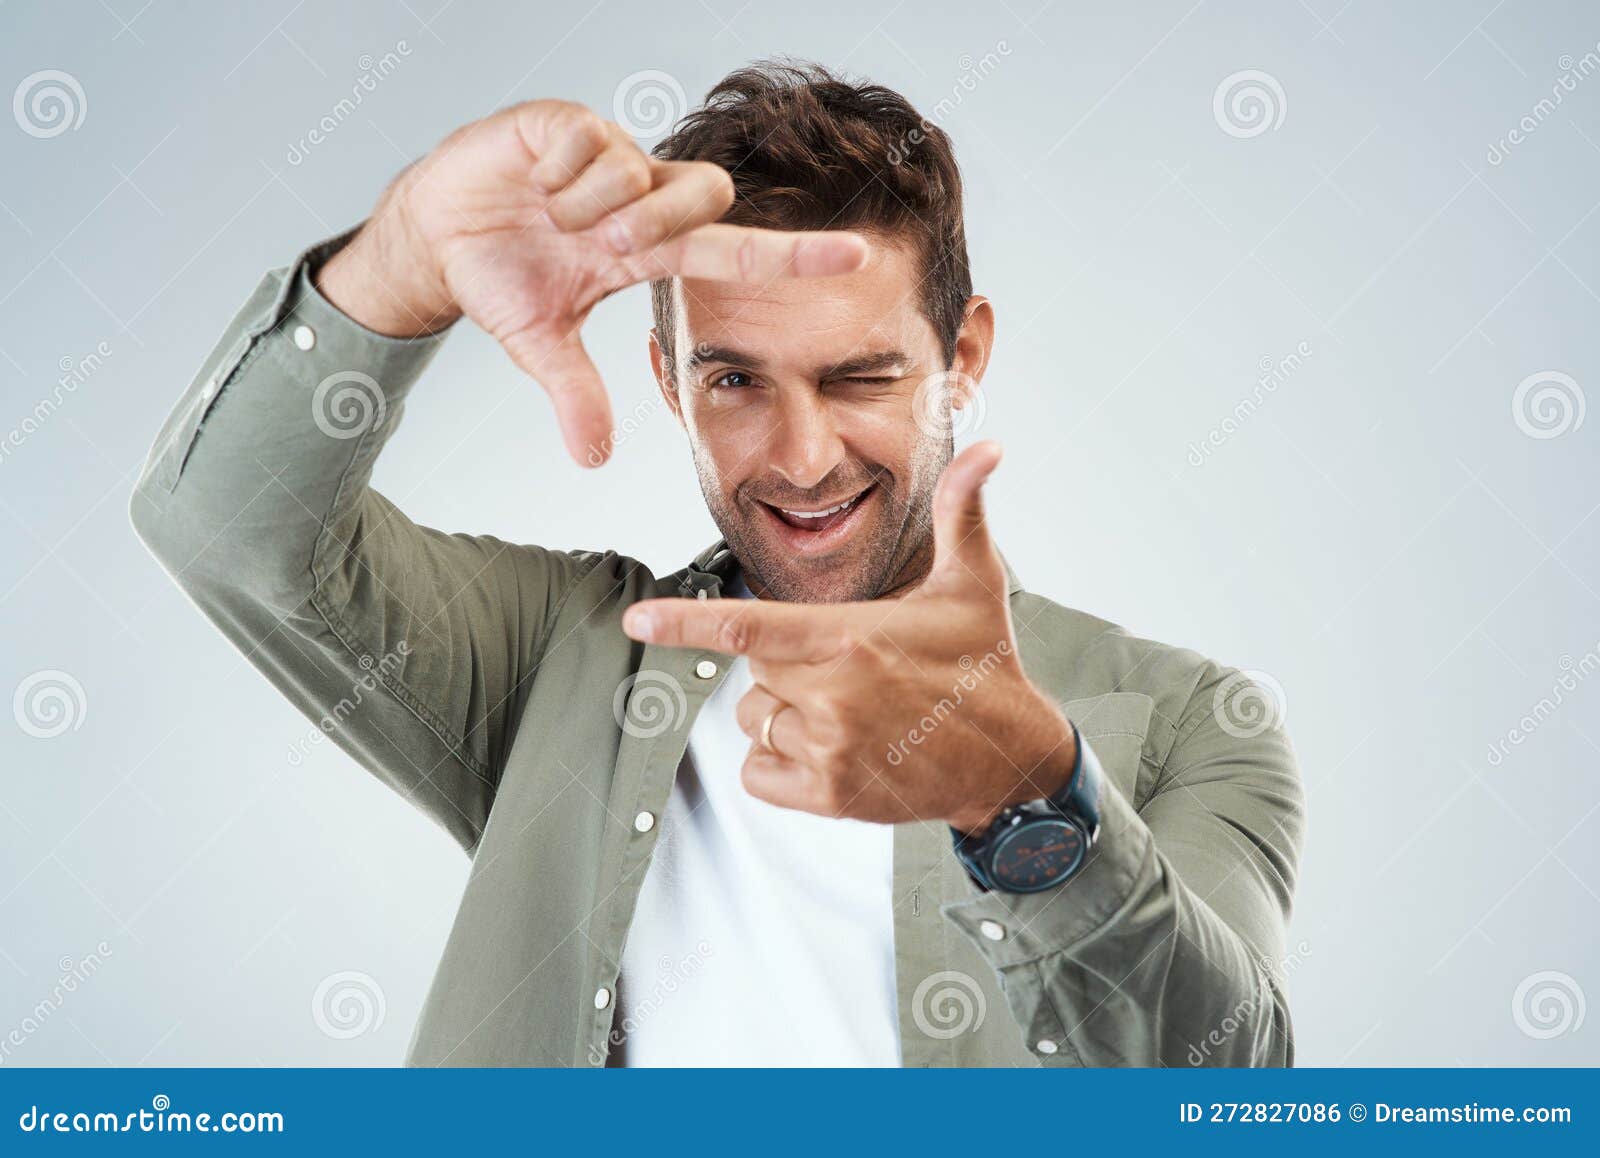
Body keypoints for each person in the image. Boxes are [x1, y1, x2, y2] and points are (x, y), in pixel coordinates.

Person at [131, 61, 1305, 1067]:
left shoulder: (1190, 722)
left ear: (963, 357)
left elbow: (1225, 1082)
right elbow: (227, 529)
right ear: (667, 381)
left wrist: (1025, 798)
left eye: (861, 377)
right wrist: (398, 263)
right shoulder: (558, 662)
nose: (802, 458)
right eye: (735, 379)